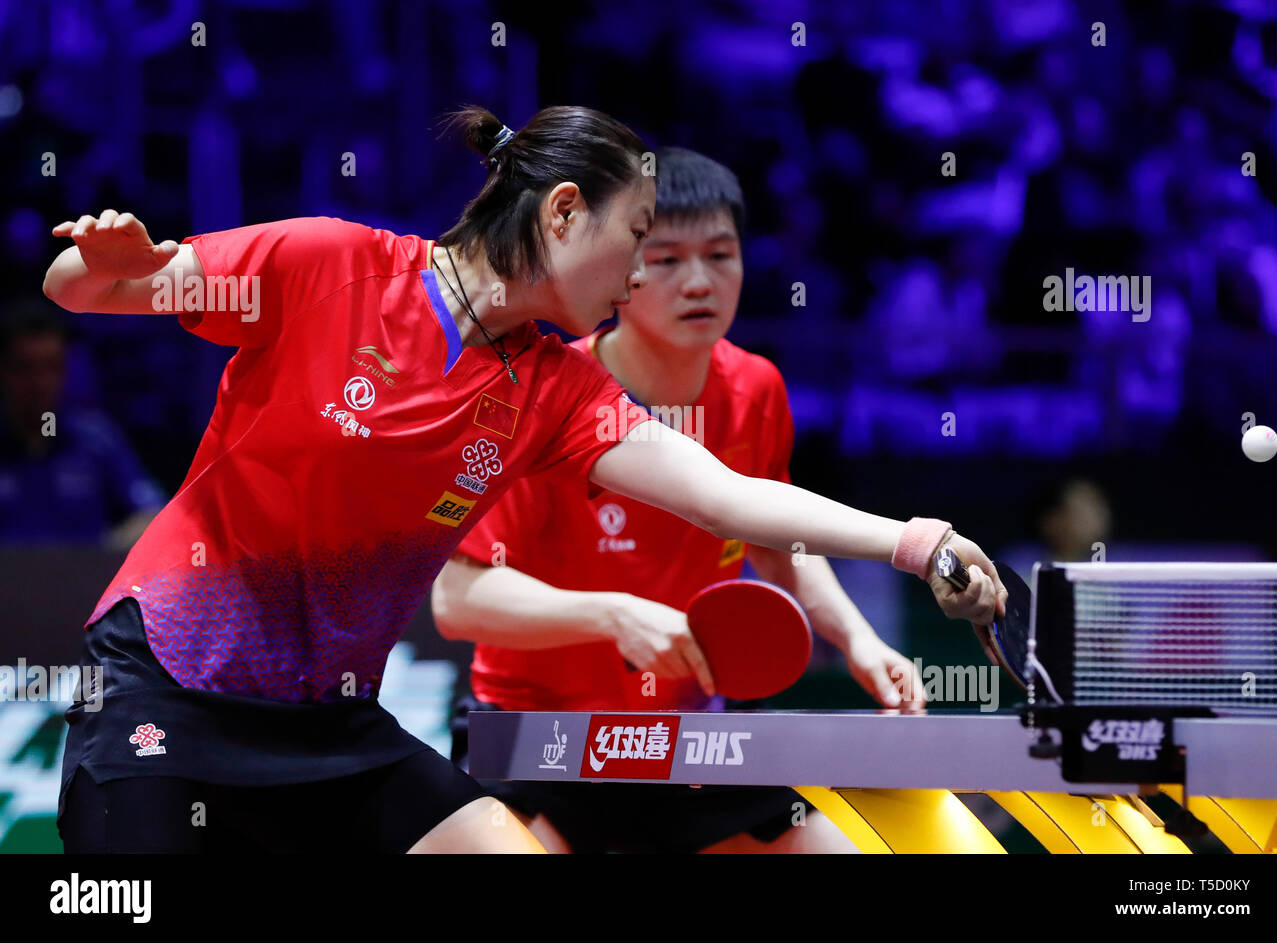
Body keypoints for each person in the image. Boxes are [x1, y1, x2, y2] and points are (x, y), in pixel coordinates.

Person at [43, 105, 1005, 854]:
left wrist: (915, 539)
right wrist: (104, 265)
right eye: (637, 241)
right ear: (561, 212)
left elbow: (725, 493)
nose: (639, 276)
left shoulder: (554, 389)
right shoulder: (331, 265)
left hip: (324, 722)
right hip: (165, 685)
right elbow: (85, 291)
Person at [434, 148, 925, 853]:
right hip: (537, 744)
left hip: (692, 746)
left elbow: (775, 538)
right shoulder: (542, 395)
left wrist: (858, 640)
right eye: (665, 260)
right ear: (622, 266)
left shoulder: (755, 389)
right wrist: (612, 615)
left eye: (721, 254)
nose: (700, 281)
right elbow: (459, 601)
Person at [0, 304, 165, 547]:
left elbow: (153, 514)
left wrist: (106, 551)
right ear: (4, 370)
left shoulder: (95, 438)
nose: (39, 383)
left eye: (50, 367)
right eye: (25, 368)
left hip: (81, 582)